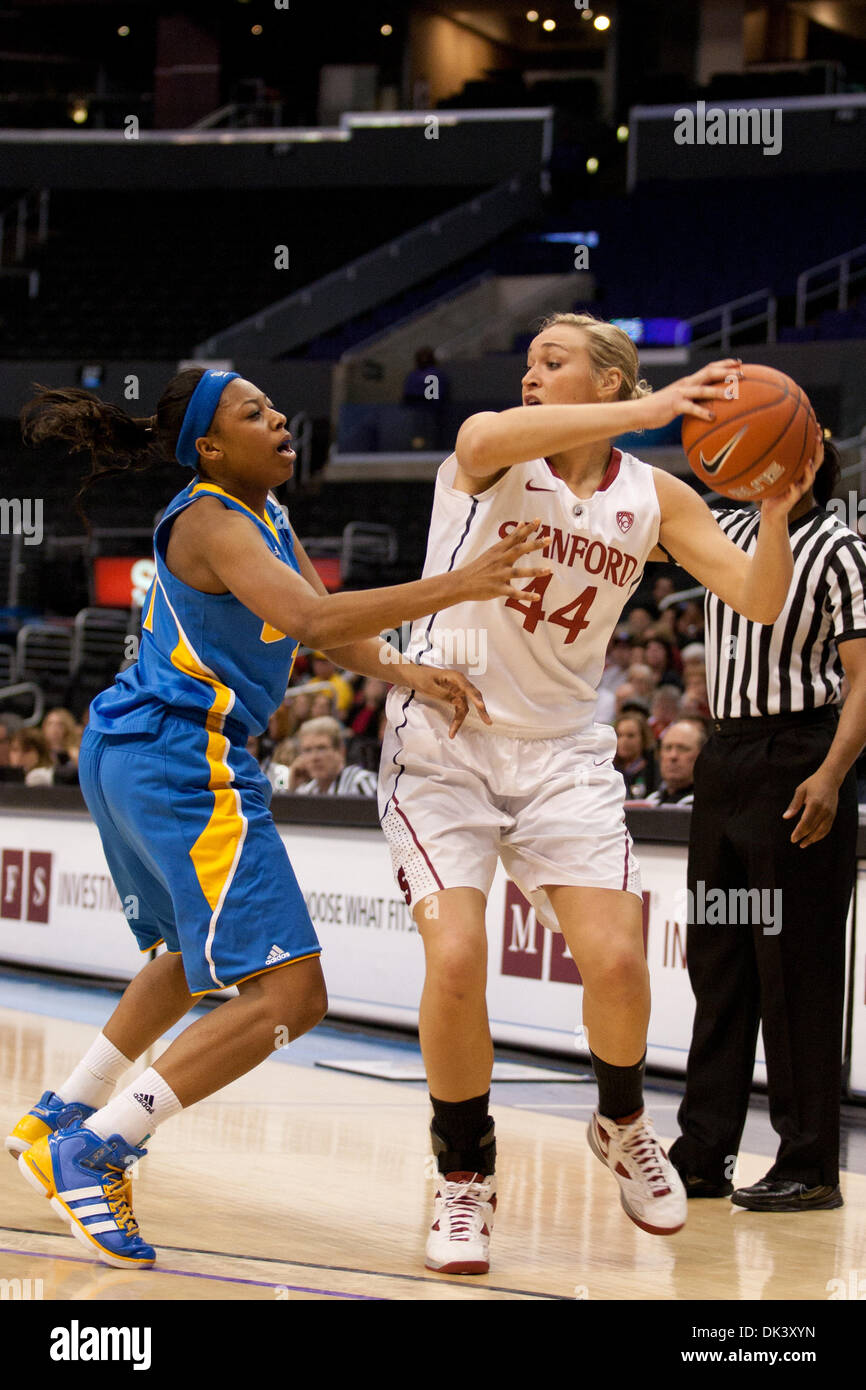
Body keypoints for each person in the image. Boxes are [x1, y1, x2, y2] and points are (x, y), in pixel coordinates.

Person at [6, 367, 549, 1269]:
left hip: (134, 744)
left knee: (185, 960)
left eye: (273, 406)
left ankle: (60, 1115)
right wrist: (461, 585)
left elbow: (321, 631)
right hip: (181, 753)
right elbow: (313, 614)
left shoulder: (264, 511)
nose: (278, 418)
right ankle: (96, 1149)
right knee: (293, 996)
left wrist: (406, 672)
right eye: (253, 413)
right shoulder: (210, 518)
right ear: (211, 449)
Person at [377, 310, 817, 1273]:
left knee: (617, 965)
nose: (529, 375)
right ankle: (464, 1174)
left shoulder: (654, 497)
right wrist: (655, 408)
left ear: (608, 379)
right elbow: (484, 438)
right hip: (447, 742)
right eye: (528, 361)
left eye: (553, 360)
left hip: (564, 756)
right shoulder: (491, 450)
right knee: (457, 958)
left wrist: (777, 508)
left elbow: (759, 598)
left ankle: (621, 1121)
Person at [669, 438, 866, 1212]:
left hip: (798, 758)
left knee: (797, 966)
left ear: (806, 461)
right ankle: (703, 1152)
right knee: (719, 962)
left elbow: (864, 678)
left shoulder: (842, 548)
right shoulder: (722, 530)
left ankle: (809, 1163)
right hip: (725, 759)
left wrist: (833, 773)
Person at [289, 715, 376, 796]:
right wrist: (292, 789)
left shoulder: (361, 782)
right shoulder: (307, 791)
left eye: (321, 748)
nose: (314, 757)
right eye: (308, 750)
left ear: (340, 751)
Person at [642, 718, 706, 806]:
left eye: (683, 748)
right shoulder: (650, 801)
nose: (673, 756)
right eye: (668, 748)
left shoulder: (709, 805)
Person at [613, 711, 658, 800]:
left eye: (630, 736)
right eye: (619, 735)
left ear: (643, 738)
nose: (624, 741)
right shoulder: (608, 768)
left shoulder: (654, 770)